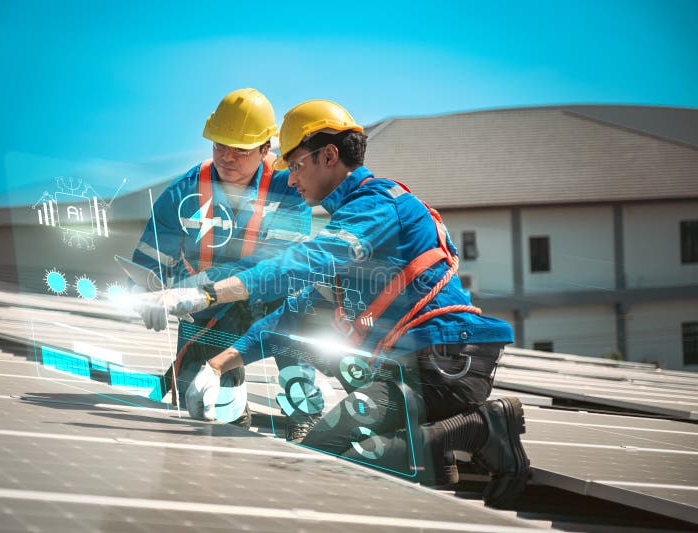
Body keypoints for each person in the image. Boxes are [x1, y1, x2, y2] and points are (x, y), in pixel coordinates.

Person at [154, 99, 530, 508]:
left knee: (326, 452)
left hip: (444, 362)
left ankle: (485, 425)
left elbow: (302, 262)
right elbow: (292, 313)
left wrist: (207, 292)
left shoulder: (377, 205)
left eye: (295, 166)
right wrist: (218, 363)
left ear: (328, 156)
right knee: (328, 450)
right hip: (411, 368)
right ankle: (434, 456)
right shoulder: (351, 221)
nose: (290, 180)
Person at [131, 88, 320, 431]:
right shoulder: (184, 192)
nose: (227, 157)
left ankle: (305, 412)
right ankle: (233, 408)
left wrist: (195, 287)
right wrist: (145, 294)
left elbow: (281, 261)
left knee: (292, 306)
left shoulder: (290, 189)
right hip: (206, 308)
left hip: (267, 298)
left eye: (240, 149)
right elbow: (150, 256)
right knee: (197, 404)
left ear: (267, 148)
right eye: (220, 145)